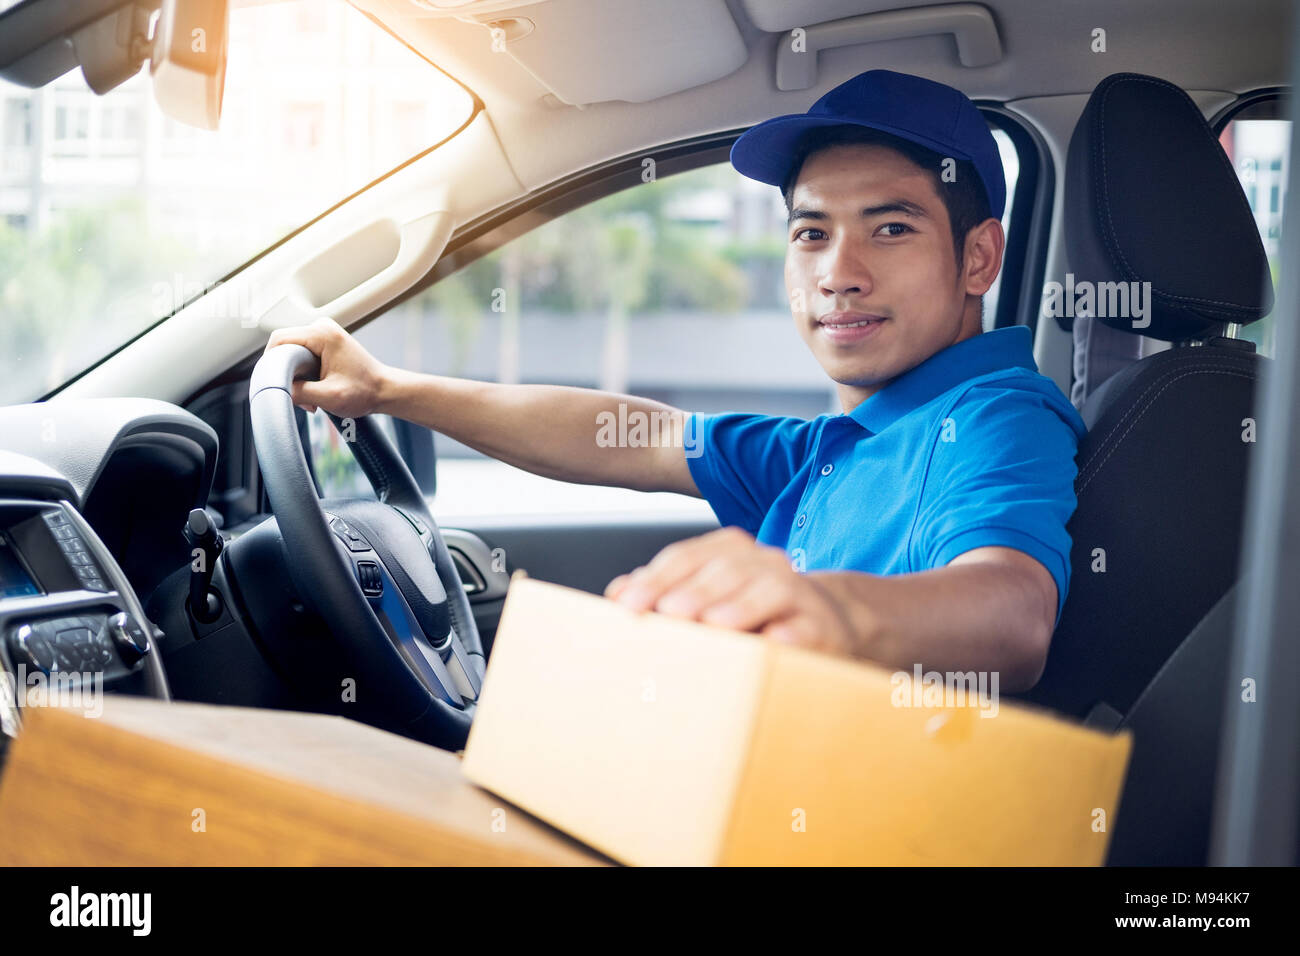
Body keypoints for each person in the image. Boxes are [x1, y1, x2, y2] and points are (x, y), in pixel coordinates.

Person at [265, 69, 1086, 693]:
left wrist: (830, 610)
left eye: (892, 228)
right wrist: (386, 389)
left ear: (978, 257)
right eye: (811, 232)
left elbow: (1012, 611)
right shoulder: (831, 447)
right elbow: (640, 436)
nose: (839, 273)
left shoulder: (992, 417)